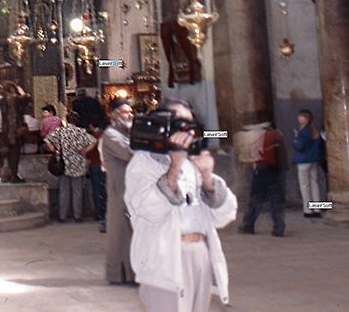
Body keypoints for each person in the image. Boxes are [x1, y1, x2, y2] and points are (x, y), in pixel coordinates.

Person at [125, 97, 237, 311]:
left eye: (189, 123)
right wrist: (174, 167)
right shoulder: (143, 162)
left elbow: (225, 214)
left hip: (201, 253)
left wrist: (207, 177)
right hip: (165, 259)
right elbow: (149, 210)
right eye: (179, 123)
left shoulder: (193, 161)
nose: (187, 130)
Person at [100, 98, 135, 285]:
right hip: (119, 189)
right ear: (113, 115)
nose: (129, 115)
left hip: (132, 189)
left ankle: (133, 272)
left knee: (132, 231)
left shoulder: (127, 132)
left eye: (131, 112)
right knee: (121, 231)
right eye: (124, 112)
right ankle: (121, 274)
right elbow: (130, 153)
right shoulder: (111, 135)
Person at [238, 119, 287, 237]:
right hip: (276, 171)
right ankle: (278, 227)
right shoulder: (278, 135)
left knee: (256, 199)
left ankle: (248, 224)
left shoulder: (257, 136)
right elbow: (282, 155)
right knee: (276, 200)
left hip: (262, 170)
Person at [45, 111, 96, 222]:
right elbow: (93, 141)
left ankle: (62, 215)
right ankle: (77, 215)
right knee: (77, 191)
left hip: (64, 163)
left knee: (64, 191)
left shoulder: (60, 131)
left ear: (67, 119)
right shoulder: (81, 132)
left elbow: (47, 140)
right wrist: (84, 150)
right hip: (78, 163)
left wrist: (55, 150)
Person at [292, 109, 324, 218]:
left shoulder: (303, 131)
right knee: (315, 184)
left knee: (305, 186)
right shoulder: (314, 130)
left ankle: (308, 210)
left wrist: (295, 140)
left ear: (305, 118)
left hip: (303, 160)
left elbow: (300, 147)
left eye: (300, 116)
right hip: (313, 159)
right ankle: (317, 208)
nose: (298, 118)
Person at [0, 82, 30, 183]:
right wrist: (22, 92)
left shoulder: (2, 100)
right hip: (15, 130)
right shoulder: (16, 99)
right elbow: (27, 98)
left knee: (10, 155)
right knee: (15, 154)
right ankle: (14, 175)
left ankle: (11, 174)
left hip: (6, 130)